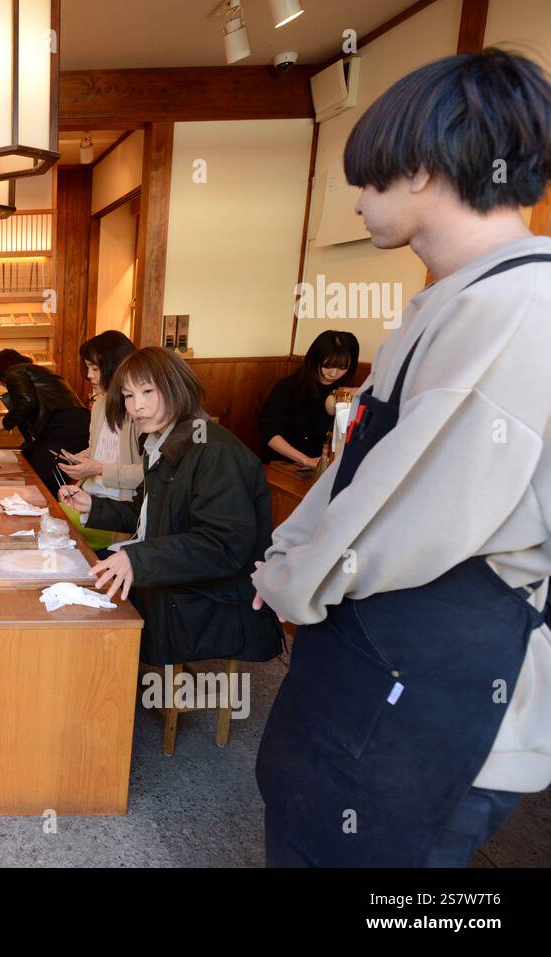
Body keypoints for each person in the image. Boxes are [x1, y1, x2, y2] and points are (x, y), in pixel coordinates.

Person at [251, 49, 551, 868]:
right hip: (376, 658)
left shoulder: (520, 308)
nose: (356, 202)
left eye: (370, 180)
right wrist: (285, 554)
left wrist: (284, 576)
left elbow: (400, 508)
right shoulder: (451, 299)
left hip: (440, 685)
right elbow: (358, 471)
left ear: (421, 169)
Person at [62, 349, 283, 670]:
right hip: (177, 577)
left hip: (213, 600)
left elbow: (222, 545)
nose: (137, 405)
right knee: (74, 583)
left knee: (88, 613)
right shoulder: (161, 442)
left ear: (177, 387)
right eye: (128, 395)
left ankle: (108, 693)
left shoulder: (214, 451)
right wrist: (93, 506)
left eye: (148, 391)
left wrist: (137, 558)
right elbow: (149, 517)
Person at [0, 348, 89, 497]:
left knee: (43, 474)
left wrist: (6, 421)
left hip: (64, 426)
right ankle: (52, 508)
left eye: (2, 383)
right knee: (36, 463)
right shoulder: (38, 372)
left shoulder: (14, 372)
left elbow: (26, 401)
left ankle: (51, 511)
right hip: (72, 424)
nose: (5, 387)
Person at [58, 330, 143, 504]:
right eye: (88, 367)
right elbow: (95, 449)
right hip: (90, 492)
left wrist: (98, 469)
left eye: (95, 368)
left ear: (117, 366)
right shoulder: (100, 404)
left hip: (120, 504)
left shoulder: (142, 412)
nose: (89, 375)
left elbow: (149, 474)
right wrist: (78, 459)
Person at [258, 330, 359, 467]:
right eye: (327, 366)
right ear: (314, 359)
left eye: (342, 368)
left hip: (324, 464)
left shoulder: (343, 390)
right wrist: (305, 460)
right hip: (284, 463)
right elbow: (270, 433)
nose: (334, 373)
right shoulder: (288, 387)